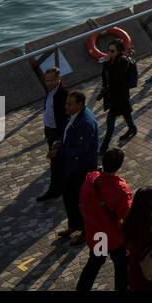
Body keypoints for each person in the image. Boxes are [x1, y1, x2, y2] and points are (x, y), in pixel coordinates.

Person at [77, 148, 132, 292]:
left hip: (97, 235)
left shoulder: (90, 179)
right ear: (119, 166)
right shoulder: (121, 190)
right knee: (121, 269)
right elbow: (127, 219)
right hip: (115, 239)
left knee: (93, 265)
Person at [56, 90, 99, 246]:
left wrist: (60, 152)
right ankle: (74, 224)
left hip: (82, 169)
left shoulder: (85, 123)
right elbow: (69, 134)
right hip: (72, 168)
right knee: (69, 198)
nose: (66, 106)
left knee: (83, 202)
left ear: (79, 105)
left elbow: (80, 149)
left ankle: (86, 231)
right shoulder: (76, 117)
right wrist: (61, 141)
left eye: (69, 104)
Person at [35, 66, 68, 201]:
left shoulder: (63, 94)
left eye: (50, 80)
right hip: (50, 131)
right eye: (46, 81)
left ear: (58, 78)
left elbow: (66, 119)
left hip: (57, 133)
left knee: (55, 163)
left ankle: (54, 190)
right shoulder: (50, 91)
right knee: (58, 162)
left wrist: (60, 138)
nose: (48, 83)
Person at [98, 42, 137, 150]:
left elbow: (116, 76)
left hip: (120, 94)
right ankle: (132, 128)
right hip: (112, 93)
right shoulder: (110, 60)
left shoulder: (123, 61)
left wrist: (107, 63)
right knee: (126, 113)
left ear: (119, 51)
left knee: (110, 120)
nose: (109, 53)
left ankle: (104, 145)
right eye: (108, 50)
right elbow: (105, 76)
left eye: (112, 51)